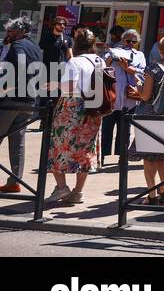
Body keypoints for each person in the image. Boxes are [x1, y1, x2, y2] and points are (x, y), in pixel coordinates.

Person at [46, 28, 106, 207]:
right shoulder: (100, 61)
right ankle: (78, 192)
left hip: (72, 108)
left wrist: (55, 85)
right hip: (93, 109)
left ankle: (61, 186)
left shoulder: (75, 62)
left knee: (57, 146)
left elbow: (70, 87)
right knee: (86, 151)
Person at [127, 33, 164, 205]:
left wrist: (138, 89)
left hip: (150, 116)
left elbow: (145, 97)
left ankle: (152, 195)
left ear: (159, 49)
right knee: (163, 156)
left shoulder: (153, 68)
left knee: (149, 157)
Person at [0, 17, 43, 194]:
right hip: (29, 100)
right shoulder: (35, 47)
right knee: (18, 142)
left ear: (20, 31)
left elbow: (17, 70)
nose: (8, 34)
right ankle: (15, 181)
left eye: (11, 31)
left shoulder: (17, 46)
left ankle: (14, 182)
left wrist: (5, 87)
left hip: (12, 100)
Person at [101, 28, 146, 164]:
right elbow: (102, 69)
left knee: (125, 129)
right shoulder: (112, 51)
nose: (130, 44)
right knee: (107, 127)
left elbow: (142, 73)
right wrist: (110, 59)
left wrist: (127, 67)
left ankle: (123, 156)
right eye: (128, 41)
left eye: (134, 41)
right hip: (112, 96)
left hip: (129, 97)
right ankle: (102, 155)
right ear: (122, 40)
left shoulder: (139, 55)